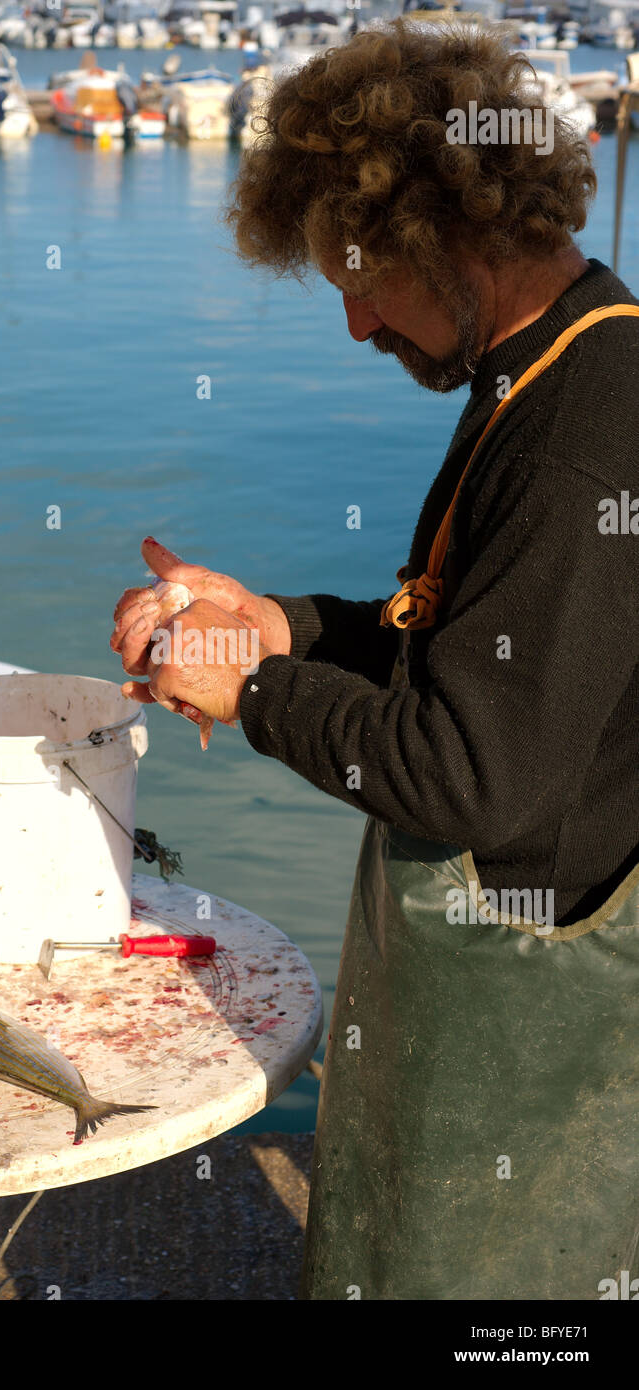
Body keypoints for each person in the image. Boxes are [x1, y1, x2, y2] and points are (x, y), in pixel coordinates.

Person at [110, 20, 639, 1299]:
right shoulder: (552, 359)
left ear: (446, 236)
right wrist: (278, 621)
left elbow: (467, 773)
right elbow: (462, 640)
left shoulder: (582, 437)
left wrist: (248, 690)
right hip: (494, 959)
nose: (351, 323)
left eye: (359, 280)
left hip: (534, 1004)